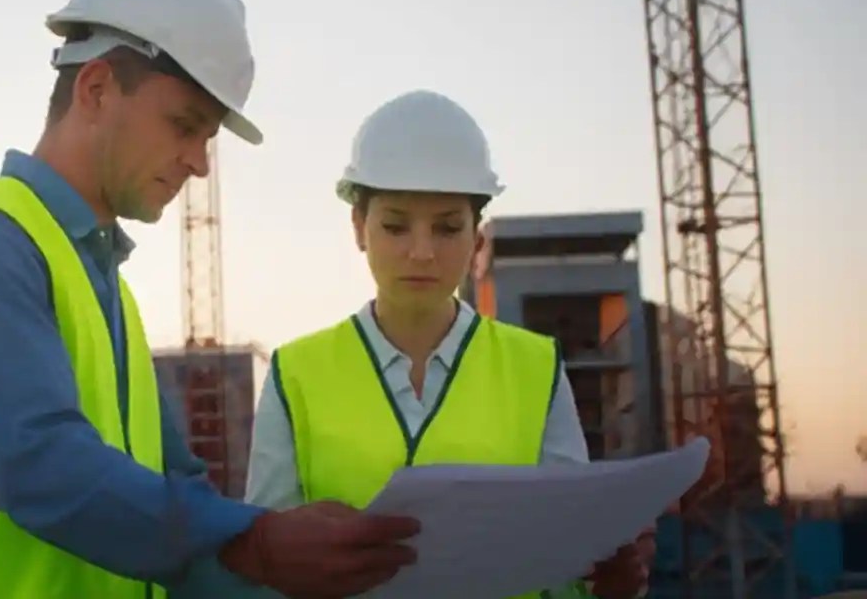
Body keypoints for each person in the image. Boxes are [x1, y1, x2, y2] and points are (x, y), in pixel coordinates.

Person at [0, 0, 421, 599]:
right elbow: (49, 471)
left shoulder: (106, 293)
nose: (199, 165)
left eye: (207, 137)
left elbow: (178, 499)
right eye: (185, 127)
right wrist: (261, 543)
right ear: (96, 89)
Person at [244, 90, 657, 599]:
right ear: (359, 228)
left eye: (447, 228)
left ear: (477, 240)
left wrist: (610, 588)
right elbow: (267, 576)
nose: (421, 252)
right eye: (396, 226)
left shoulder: (537, 369)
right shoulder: (296, 374)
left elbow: (567, 570)